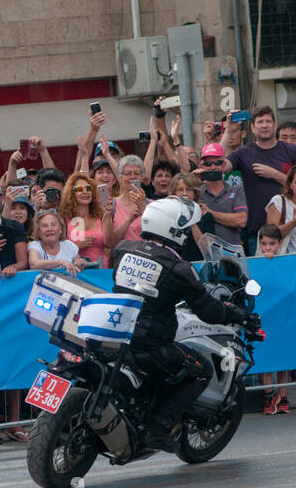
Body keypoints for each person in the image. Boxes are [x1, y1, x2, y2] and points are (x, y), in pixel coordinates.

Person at [113, 198, 260, 452]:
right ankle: (158, 427)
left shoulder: (123, 249)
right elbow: (209, 310)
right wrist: (236, 314)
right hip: (148, 343)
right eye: (184, 230)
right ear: (174, 231)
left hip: (116, 333)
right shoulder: (178, 268)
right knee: (200, 369)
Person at [220, 105, 296, 253]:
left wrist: (275, 175)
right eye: (260, 122)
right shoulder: (243, 153)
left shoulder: (291, 151)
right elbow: (219, 165)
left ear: (274, 125)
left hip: (293, 228)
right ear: (253, 128)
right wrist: (228, 131)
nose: (265, 125)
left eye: (268, 121)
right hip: (258, 232)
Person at [195, 143, 248, 246]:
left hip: (231, 252)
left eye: (217, 162)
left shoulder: (236, 189)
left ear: (224, 165)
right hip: (204, 252)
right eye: (208, 164)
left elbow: (241, 220)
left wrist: (209, 213)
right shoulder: (196, 192)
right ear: (201, 166)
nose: (213, 167)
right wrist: (192, 183)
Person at [27, 209, 85, 275]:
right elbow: (34, 264)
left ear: (60, 229)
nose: (50, 229)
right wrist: (60, 262)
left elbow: (78, 261)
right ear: (38, 232)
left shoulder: (69, 245)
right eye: (45, 226)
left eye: (53, 225)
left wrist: (80, 263)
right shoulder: (35, 245)